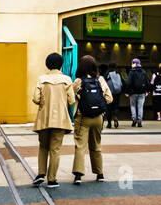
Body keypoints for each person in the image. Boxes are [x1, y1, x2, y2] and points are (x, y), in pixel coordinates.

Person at [30, 52, 75, 188]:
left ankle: (40, 174)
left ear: (47, 64)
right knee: (55, 149)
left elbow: (36, 99)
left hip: (44, 118)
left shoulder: (41, 79)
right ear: (61, 65)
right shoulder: (67, 80)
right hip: (60, 120)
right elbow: (72, 100)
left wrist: (44, 102)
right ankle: (52, 179)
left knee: (43, 147)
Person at [71, 55, 111, 186]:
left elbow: (71, 97)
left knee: (80, 146)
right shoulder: (100, 80)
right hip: (98, 117)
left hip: (83, 117)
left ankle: (78, 175)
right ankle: (100, 174)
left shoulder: (78, 81)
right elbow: (109, 98)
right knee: (96, 145)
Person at [125, 58, 149, 127]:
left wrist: (127, 91)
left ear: (135, 64)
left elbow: (129, 82)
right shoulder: (143, 71)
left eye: (132, 63)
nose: (131, 64)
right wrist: (147, 90)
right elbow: (147, 81)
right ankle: (140, 121)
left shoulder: (131, 72)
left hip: (133, 92)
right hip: (142, 92)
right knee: (140, 107)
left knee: (132, 105)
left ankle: (134, 119)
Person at [103, 62, 123, 129]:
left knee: (108, 108)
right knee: (116, 107)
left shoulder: (107, 74)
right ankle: (116, 117)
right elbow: (122, 83)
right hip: (117, 93)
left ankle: (109, 124)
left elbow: (103, 83)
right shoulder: (118, 73)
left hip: (109, 93)